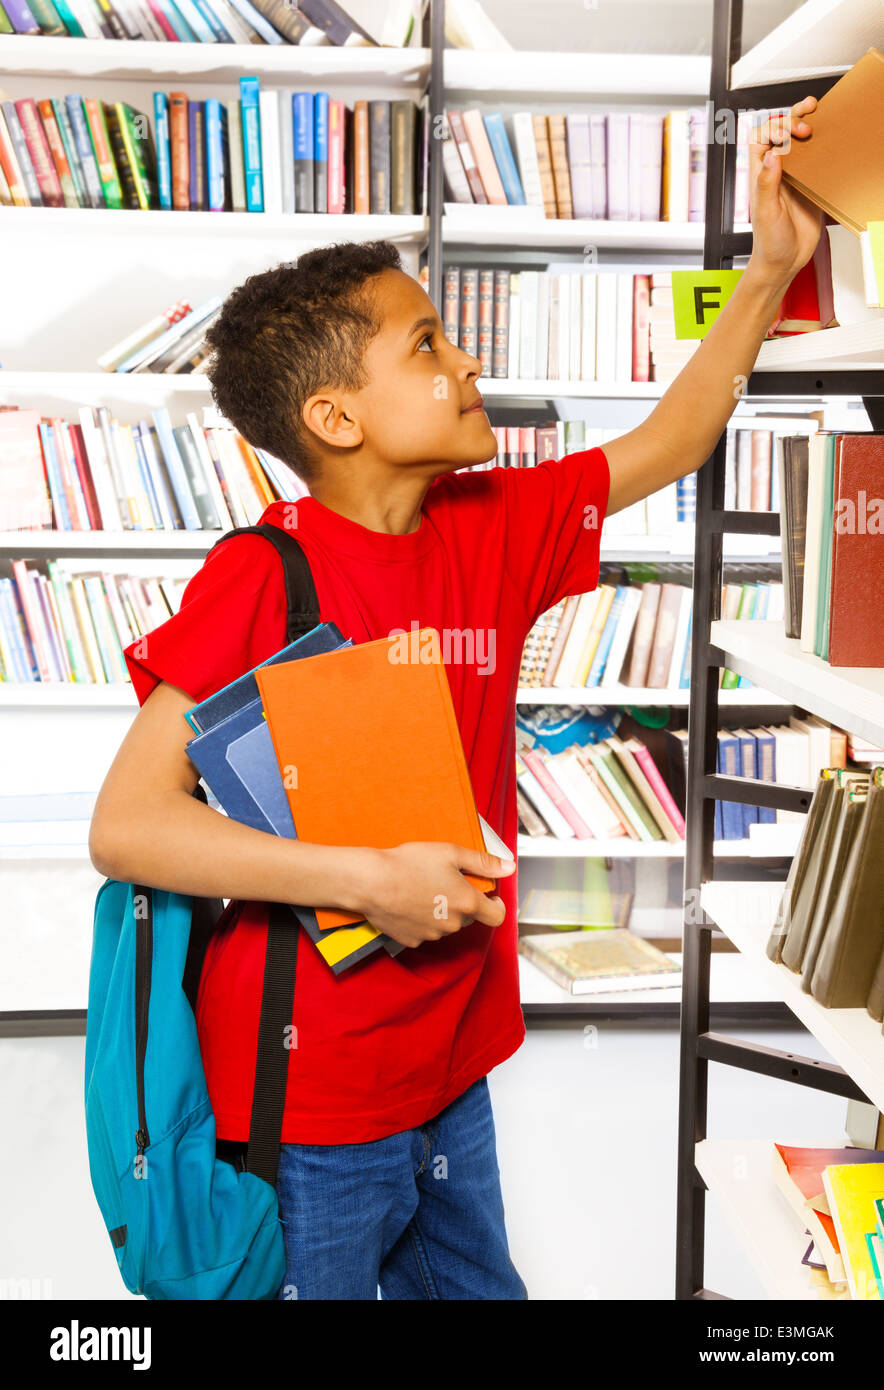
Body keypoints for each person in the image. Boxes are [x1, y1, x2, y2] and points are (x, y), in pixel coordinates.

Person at [89, 97, 821, 1300]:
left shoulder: (499, 523)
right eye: (426, 345)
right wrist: (366, 880)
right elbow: (128, 823)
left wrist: (769, 267)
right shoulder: (260, 574)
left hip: (451, 1061)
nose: (465, 360)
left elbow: (677, 437)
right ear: (335, 418)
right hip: (305, 1100)